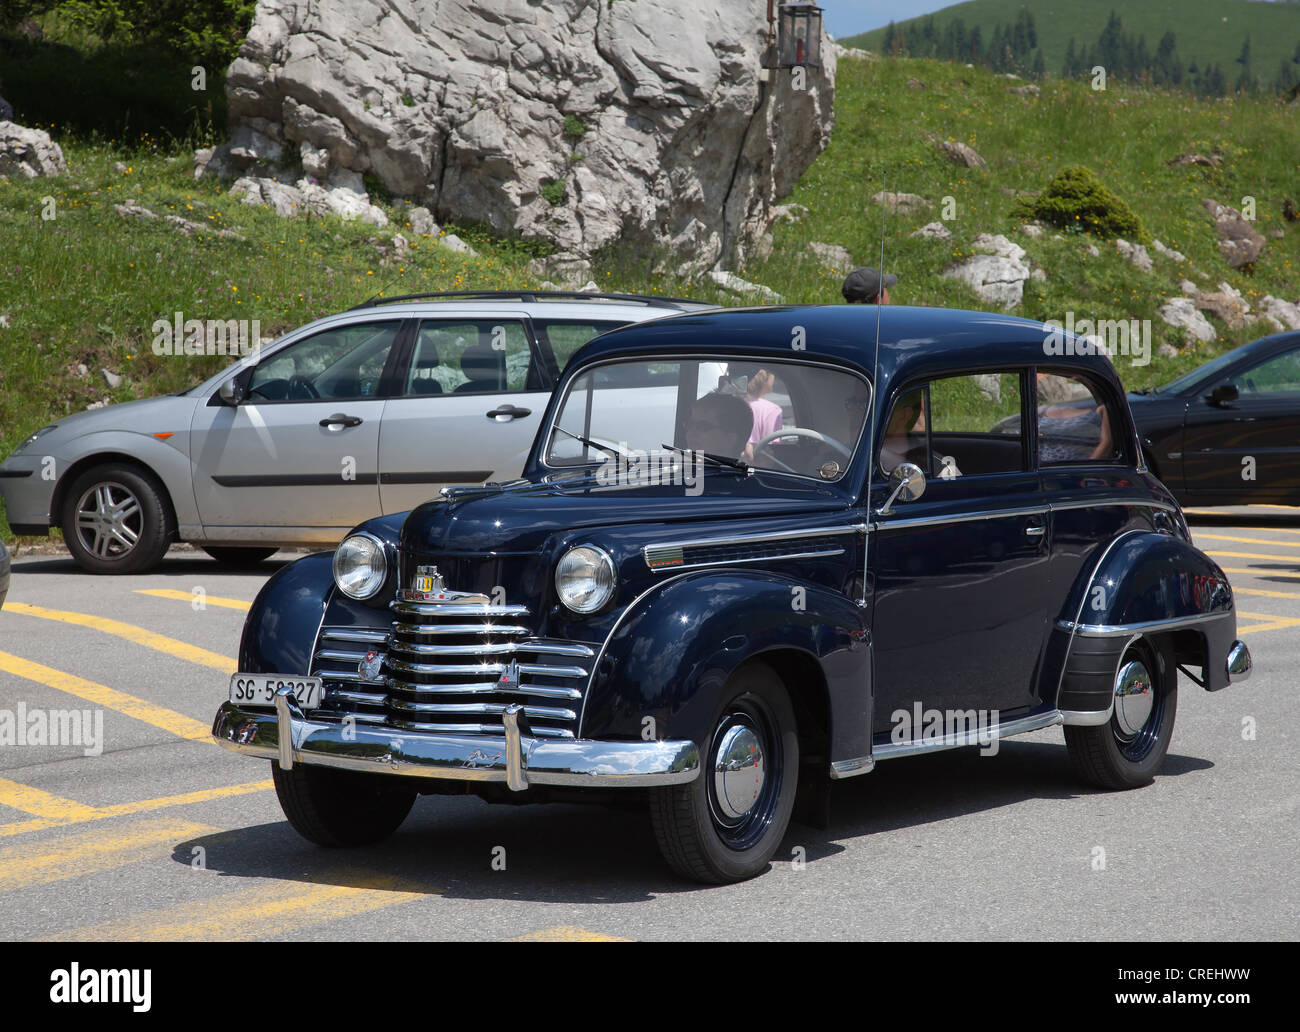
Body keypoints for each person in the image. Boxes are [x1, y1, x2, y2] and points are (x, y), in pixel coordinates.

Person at [685, 391, 753, 460]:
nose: (691, 433)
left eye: (703, 427)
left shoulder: (734, 470)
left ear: (730, 439)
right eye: (690, 424)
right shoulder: (682, 467)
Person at [741, 368, 783, 463]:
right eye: (772, 374)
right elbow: (770, 447)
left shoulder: (734, 404)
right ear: (764, 379)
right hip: (758, 466)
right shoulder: (773, 410)